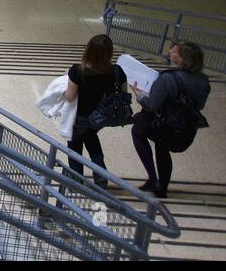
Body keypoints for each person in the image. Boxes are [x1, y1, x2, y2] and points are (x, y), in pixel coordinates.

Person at [130, 41, 210, 197]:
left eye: (174, 51)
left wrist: (139, 94)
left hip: (165, 127)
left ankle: (153, 178)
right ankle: (162, 188)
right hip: (186, 130)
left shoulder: (167, 78)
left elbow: (151, 105)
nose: (170, 52)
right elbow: (200, 105)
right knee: (162, 148)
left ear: (182, 58)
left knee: (138, 130)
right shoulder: (203, 80)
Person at [63, 35, 127, 185]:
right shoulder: (117, 71)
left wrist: (63, 89)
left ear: (89, 50)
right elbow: (123, 93)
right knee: (91, 137)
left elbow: (70, 97)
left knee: (74, 145)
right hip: (101, 117)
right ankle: (100, 174)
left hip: (81, 116)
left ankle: (76, 180)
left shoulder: (77, 71)